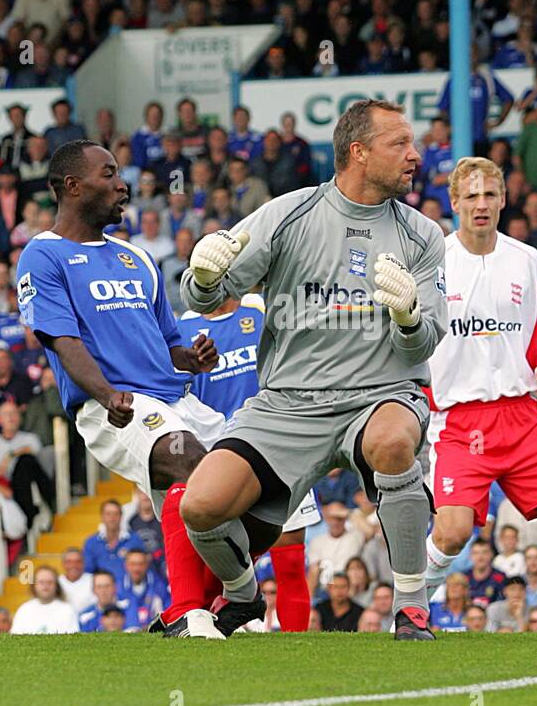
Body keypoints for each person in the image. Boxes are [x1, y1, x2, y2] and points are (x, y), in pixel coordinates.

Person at [178, 99, 448, 640]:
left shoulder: (423, 236)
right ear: (358, 151)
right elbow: (208, 294)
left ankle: (413, 607)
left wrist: (407, 315)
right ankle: (243, 598)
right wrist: (204, 275)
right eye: (400, 144)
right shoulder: (289, 214)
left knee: (395, 442)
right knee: (200, 507)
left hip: (380, 394)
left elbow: (422, 347)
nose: (415, 156)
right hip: (286, 403)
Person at [15, 140, 230, 639]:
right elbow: (61, 340)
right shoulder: (44, 256)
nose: (121, 184)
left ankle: (215, 607)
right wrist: (107, 392)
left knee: (241, 482)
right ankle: (196, 610)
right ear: (72, 186)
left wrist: (191, 359)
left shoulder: (137, 257)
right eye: (108, 173)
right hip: (113, 406)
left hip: (176, 399)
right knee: (191, 461)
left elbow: (167, 344)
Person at [421, 157, 537, 630]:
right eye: (472, 196)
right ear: (454, 202)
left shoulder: (526, 258)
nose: (482, 205)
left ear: (503, 200)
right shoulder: (432, 261)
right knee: (453, 533)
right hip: (459, 423)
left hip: (522, 417)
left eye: (490, 195)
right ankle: (409, 613)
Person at [177, 293, 320, 631]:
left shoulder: (261, 310)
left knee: (289, 556)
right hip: (220, 452)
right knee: (221, 556)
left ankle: (294, 643)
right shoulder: (183, 328)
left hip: (278, 442)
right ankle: (207, 626)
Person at [10, 565, 79, 634]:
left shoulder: (67, 610)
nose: (46, 586)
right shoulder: (24, 609)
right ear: (34, 585)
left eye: (50, 582)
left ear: (56, 586)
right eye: (41, 582)